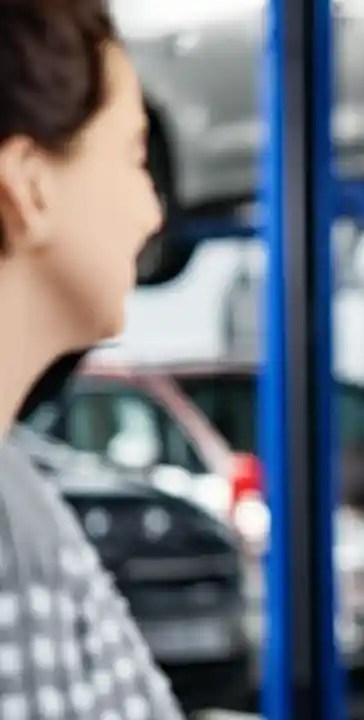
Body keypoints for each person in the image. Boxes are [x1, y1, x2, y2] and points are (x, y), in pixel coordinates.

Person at [0, 0, 183, 717]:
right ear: (28, 185)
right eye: (136, 157)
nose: (152, 211)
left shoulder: (22, 496)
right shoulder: (17, 533)